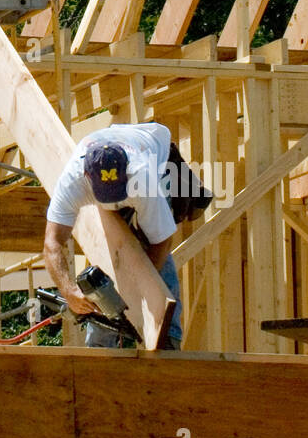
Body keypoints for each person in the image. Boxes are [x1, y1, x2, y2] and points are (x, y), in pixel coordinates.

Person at [42, 122, 212, 351]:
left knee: (144, 244)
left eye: (115, 192)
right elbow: (52, 243)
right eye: (104, 194)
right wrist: (68, 290)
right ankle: (100, 345)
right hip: (114, 143)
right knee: (108, 256)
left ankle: (168, 335)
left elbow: (161, 241)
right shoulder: (72, 181)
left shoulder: (143, 177)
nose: (110, 200)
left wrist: (138, 290)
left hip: (156, 151)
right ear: (86, 176)